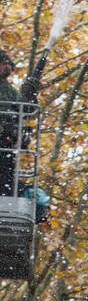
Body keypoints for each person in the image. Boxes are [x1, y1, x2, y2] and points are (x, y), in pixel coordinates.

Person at [0, 50, 21, 198]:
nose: (7, 67)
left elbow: (24, 108)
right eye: (3, 63)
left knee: (6, 172)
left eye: (9, 64)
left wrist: (30, 94)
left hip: (4, 142)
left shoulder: (11, 91)